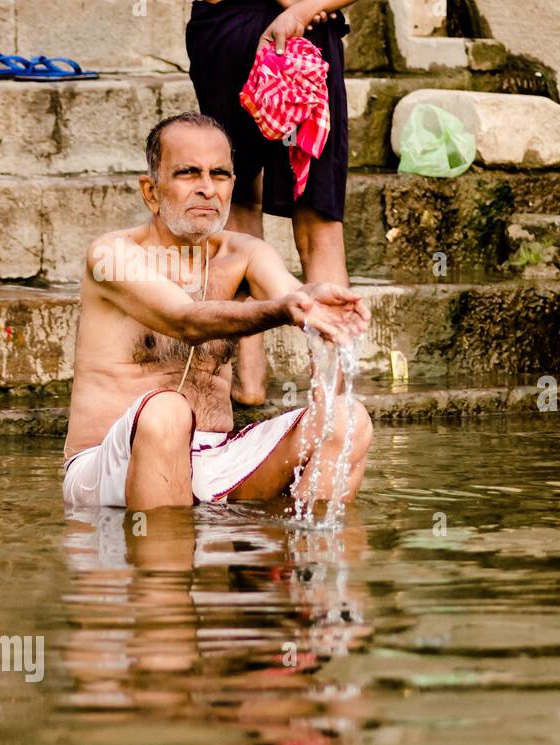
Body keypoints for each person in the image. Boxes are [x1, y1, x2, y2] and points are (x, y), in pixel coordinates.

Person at [62, 112, 373, 511]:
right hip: (107, 464)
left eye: (220, 175)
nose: (207, 189)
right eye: (189, 174)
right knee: (167, 410)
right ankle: (166, 569)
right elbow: (185, 320)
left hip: (215, 456)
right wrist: (285, 309)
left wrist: (320, 305)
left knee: (348, 419)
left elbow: (294, 296)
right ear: (151, 192)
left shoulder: (243, 254)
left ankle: (295, 563)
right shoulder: (112, 256)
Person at [186, 0, 363, 405]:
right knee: (317, 222)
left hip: (226, 31)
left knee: (239, 204)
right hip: (296, 38)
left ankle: (248, 382)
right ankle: (331, 403)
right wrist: (303, 9)